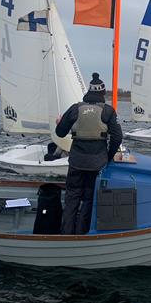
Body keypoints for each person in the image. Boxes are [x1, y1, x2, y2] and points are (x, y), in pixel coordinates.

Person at [55, 72, 123, 234]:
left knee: (72, 198)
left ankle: (66, 234)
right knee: (88, 198)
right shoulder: (108, 111)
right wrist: (107, 156)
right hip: (97, 163)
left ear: (89, 91)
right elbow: (117, 137)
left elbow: (60, 133)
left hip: (76, 162)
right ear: (103, 93)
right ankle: (82, 234)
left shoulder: (75, 109)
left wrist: (59, 122)